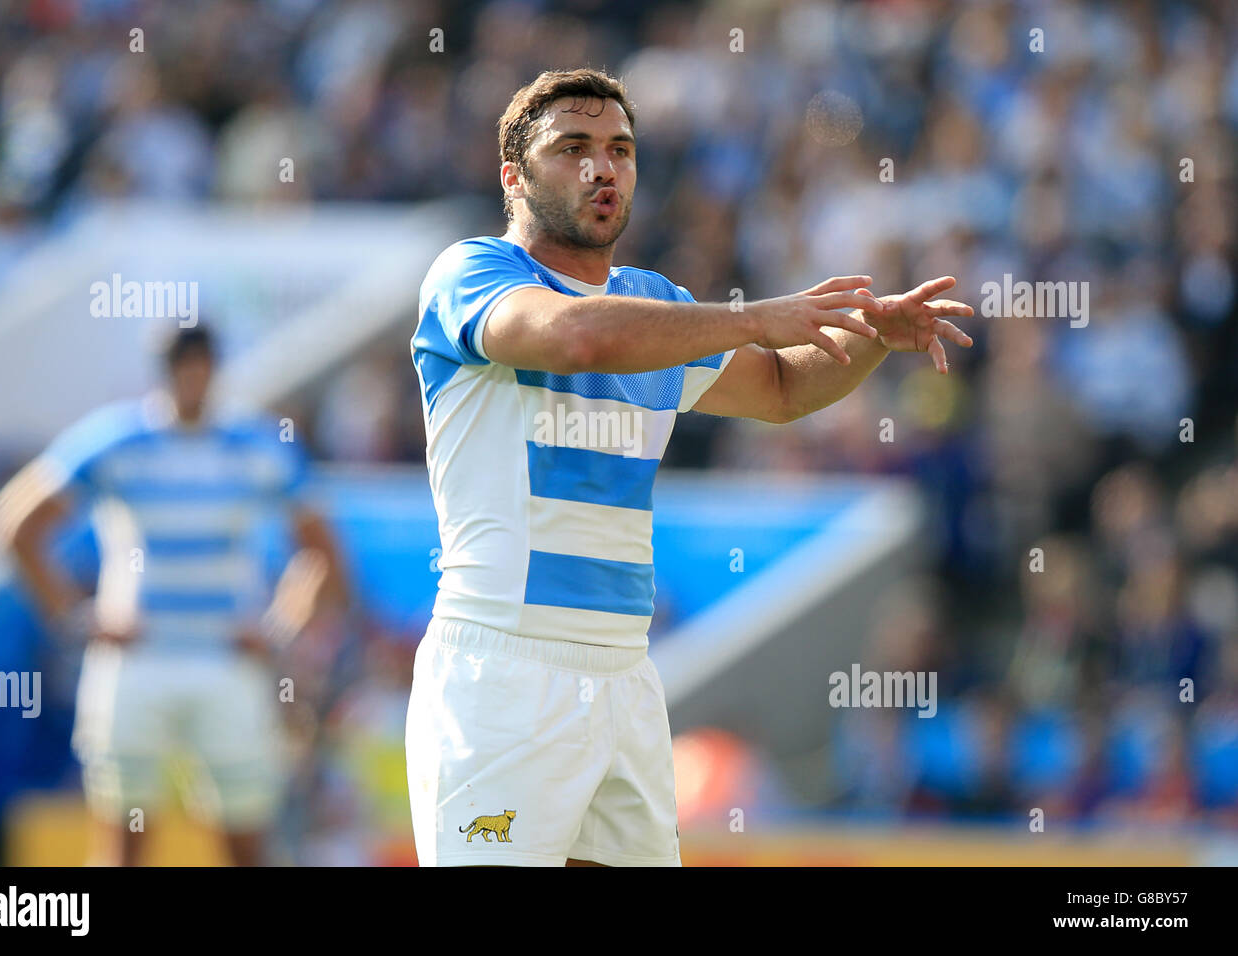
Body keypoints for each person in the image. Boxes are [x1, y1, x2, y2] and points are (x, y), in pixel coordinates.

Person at [406, 68, 974, 867]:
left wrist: (875, 339)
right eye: (573, 148)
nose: (603, 168)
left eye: (620, 150)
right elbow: (575, 338)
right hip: (502, 673)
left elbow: (779, 389)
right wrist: (754, 317)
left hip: (624, 678)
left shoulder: (656, 307)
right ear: (513, 175)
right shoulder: (471, 273)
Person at [0, 324, 348, 866]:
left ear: (215, 369)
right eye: (183, 365)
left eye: (201, 364)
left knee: (246, 843)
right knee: (124, 844)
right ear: (165, 371)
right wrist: (77, 619)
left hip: (227, 662)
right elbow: (15, 527)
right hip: (136, 663)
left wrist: (282, 626)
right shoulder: (115, 439)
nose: (192, 377)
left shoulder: (255, 443)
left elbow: (322, 552)